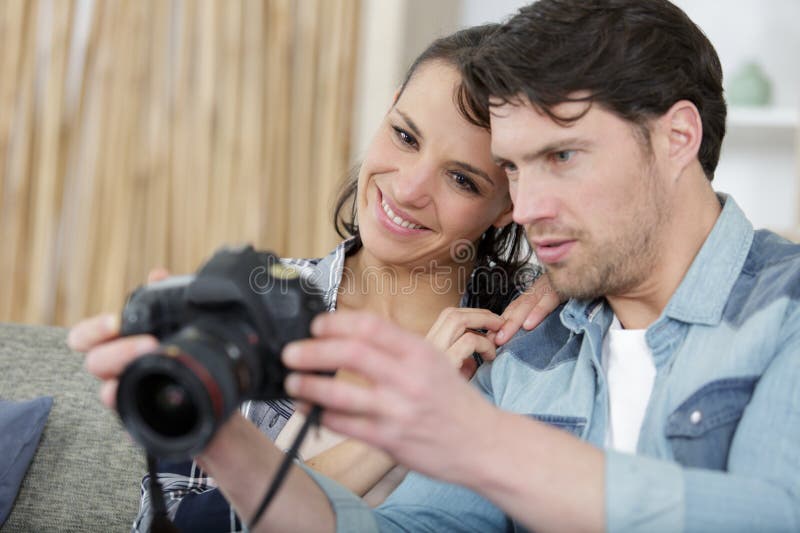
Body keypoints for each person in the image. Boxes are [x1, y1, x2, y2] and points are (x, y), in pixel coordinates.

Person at [78, 0, 800, 531]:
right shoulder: (538, 348)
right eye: (516, 168)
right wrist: (218, 437)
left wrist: (469, 436)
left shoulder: (777, 310)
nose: (530, 205)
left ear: (677, 137)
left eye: (561, 156)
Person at [68, 24, 560, 532]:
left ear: (510, 204)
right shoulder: (253, 307)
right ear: (387, 111)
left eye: (462, 179)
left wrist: (569, 280)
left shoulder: (536, 335)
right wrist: (396, 424)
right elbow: (168, 522)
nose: (409, 188)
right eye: (404, 135)